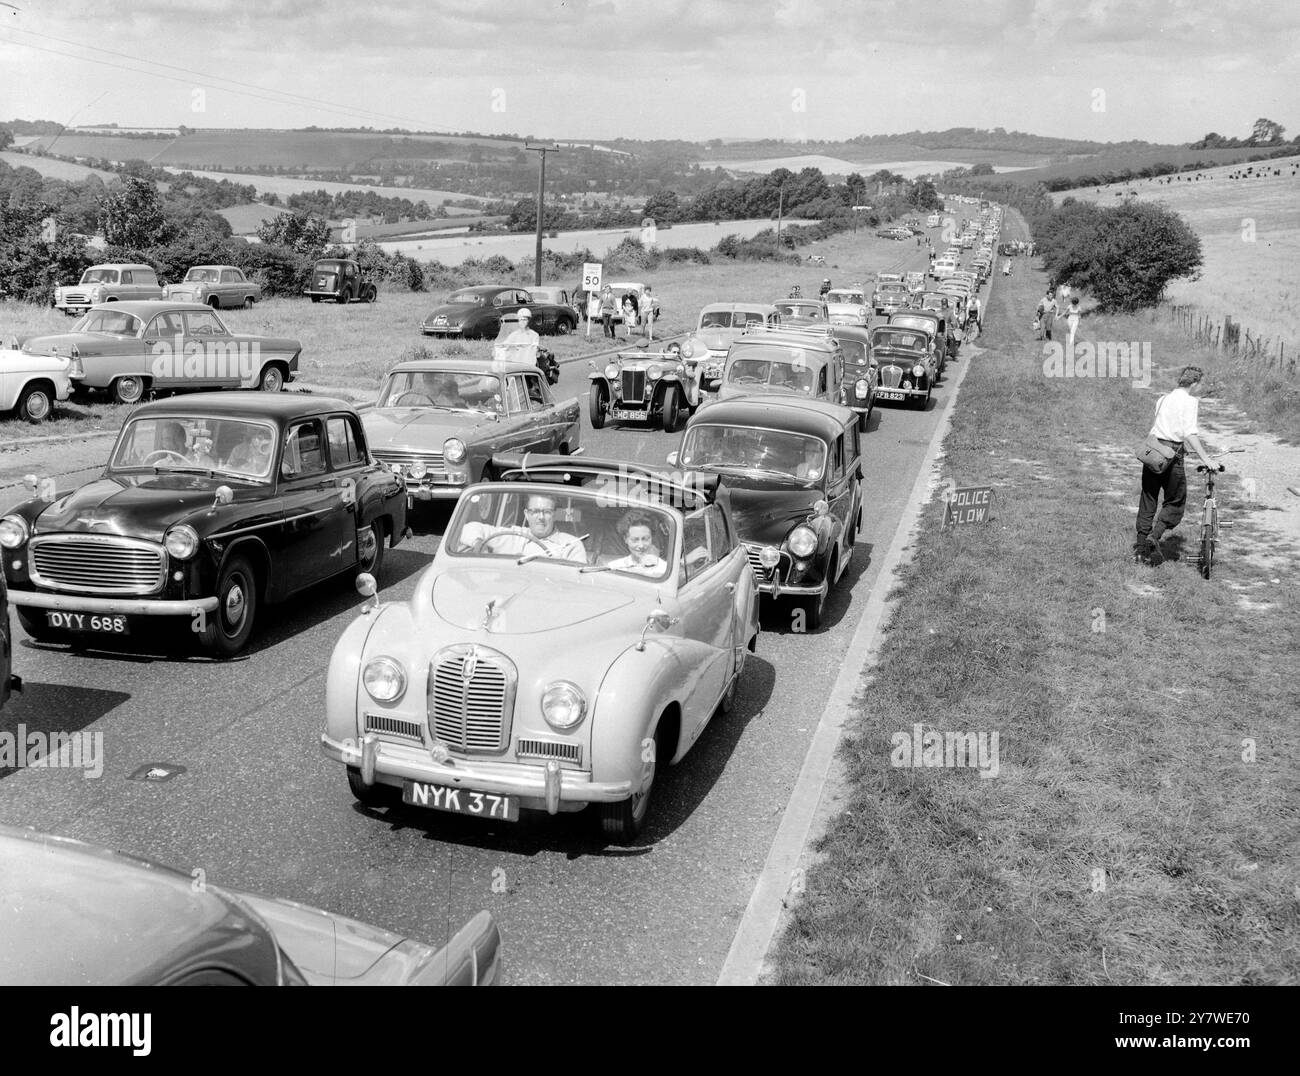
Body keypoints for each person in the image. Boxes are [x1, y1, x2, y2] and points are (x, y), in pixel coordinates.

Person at [1136, 366, 1222, 564]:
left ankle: (1140, 550)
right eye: (1199, 384)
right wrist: (1206, 458)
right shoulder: (1190, 401)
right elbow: (1189, 433)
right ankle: (1154, 537)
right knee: (1176, 500)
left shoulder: (1163, 398)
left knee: (1148, 498)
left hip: (1153, 451)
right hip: (1172, 455)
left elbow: (1163, 427)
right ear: (1194, 384)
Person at [466, 493, 588, 561]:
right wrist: (478, 544)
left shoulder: (571, 544)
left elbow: (577, 584)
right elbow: (468, 529)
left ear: (554, 515)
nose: (540, 517)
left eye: (547, 512)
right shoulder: (513, 535)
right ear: (526, 514)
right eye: (534, 511)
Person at [607, 510, 667, 576]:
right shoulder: (614, 568)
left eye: (645, 539)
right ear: (626, 539)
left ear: (652, 538)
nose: (641, 545)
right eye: (635, 540)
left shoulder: (664, 570)